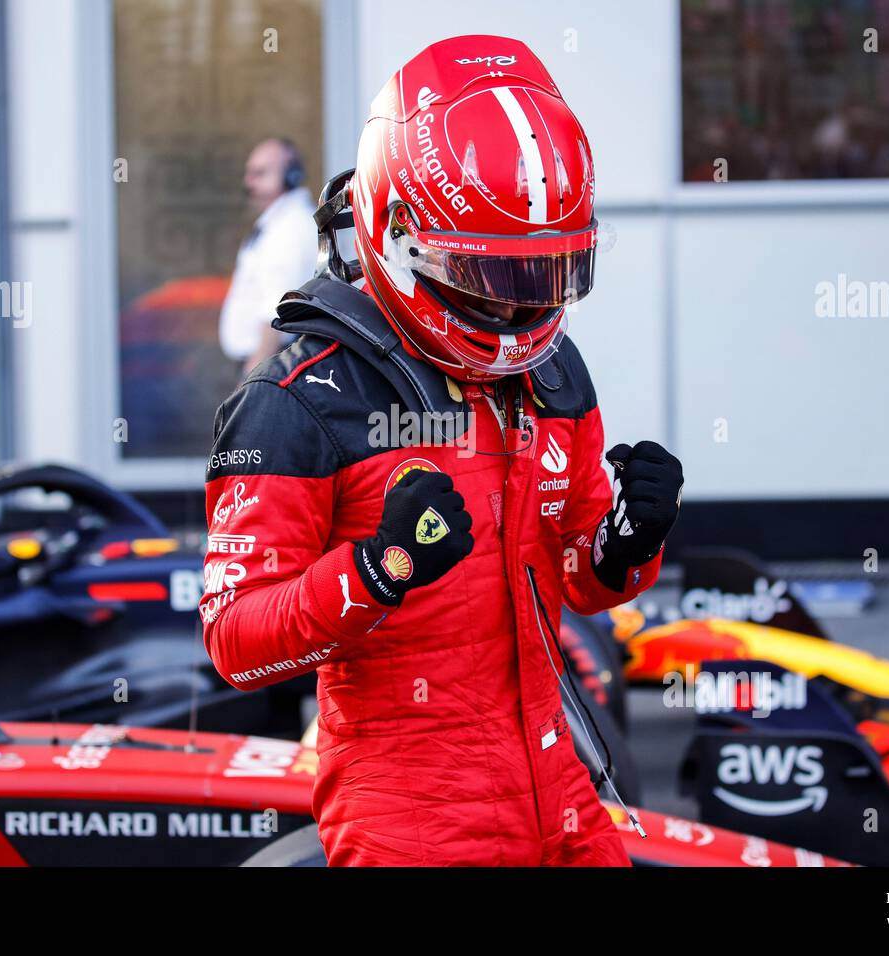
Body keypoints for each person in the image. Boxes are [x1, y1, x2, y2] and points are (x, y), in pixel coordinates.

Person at [200, 36, 683, 866]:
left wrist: (630, 542)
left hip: (561, 786)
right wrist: (377, 570)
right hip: (409, 822)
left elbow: (578, 578)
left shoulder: (550, 371)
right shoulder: (297, 404)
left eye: (540, 278)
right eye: (487, 278)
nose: (514, 310)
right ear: (396, 233)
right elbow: (235, 642)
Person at [218, 137, 318, 376]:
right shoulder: (278, 223)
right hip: (266, 362)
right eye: (249, 173)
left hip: (269, 363)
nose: (248, 182)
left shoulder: (291, 227)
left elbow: (275, 313)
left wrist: (251, 379)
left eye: (260, 173)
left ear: (291, 175)